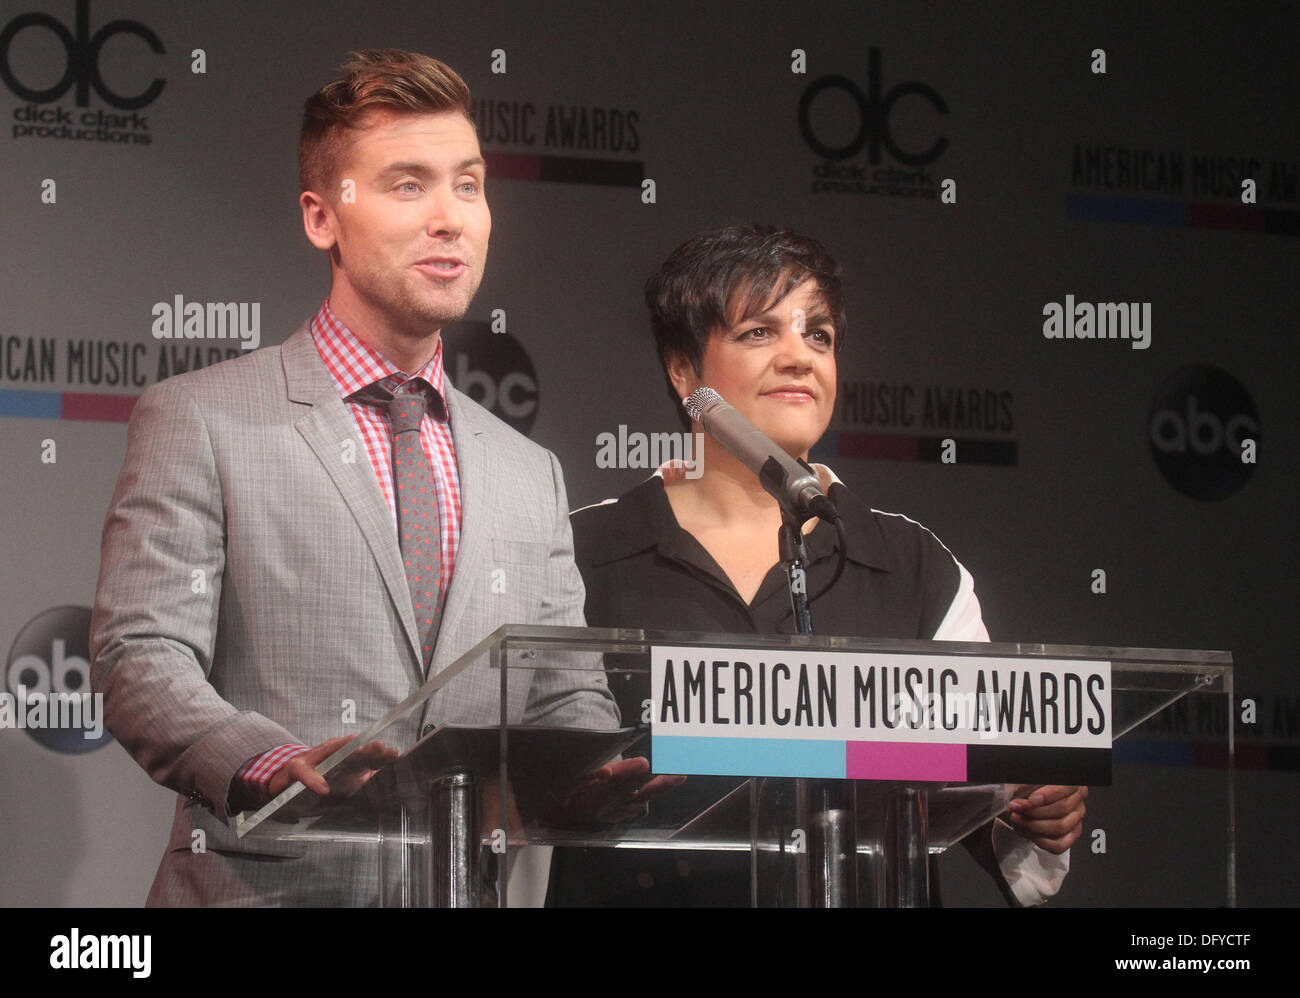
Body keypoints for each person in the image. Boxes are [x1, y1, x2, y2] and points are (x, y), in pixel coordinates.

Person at [90, 50, 639, 907]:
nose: (450, 218)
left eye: (468, 183)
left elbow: (563, 692)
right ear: (323, 218)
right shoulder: (201, 417)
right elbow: (139, 656)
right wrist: (272, 765)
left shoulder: (530, 472)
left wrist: (586, 778)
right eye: (407, 185)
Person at [550, 224, 1087, 907]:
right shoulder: (579, 551)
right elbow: (520, 792)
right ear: (684, 370)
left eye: (819, 336)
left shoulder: (913, 566)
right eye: (759, 333)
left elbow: (985, 797)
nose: (799, 358)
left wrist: (1032, 809)